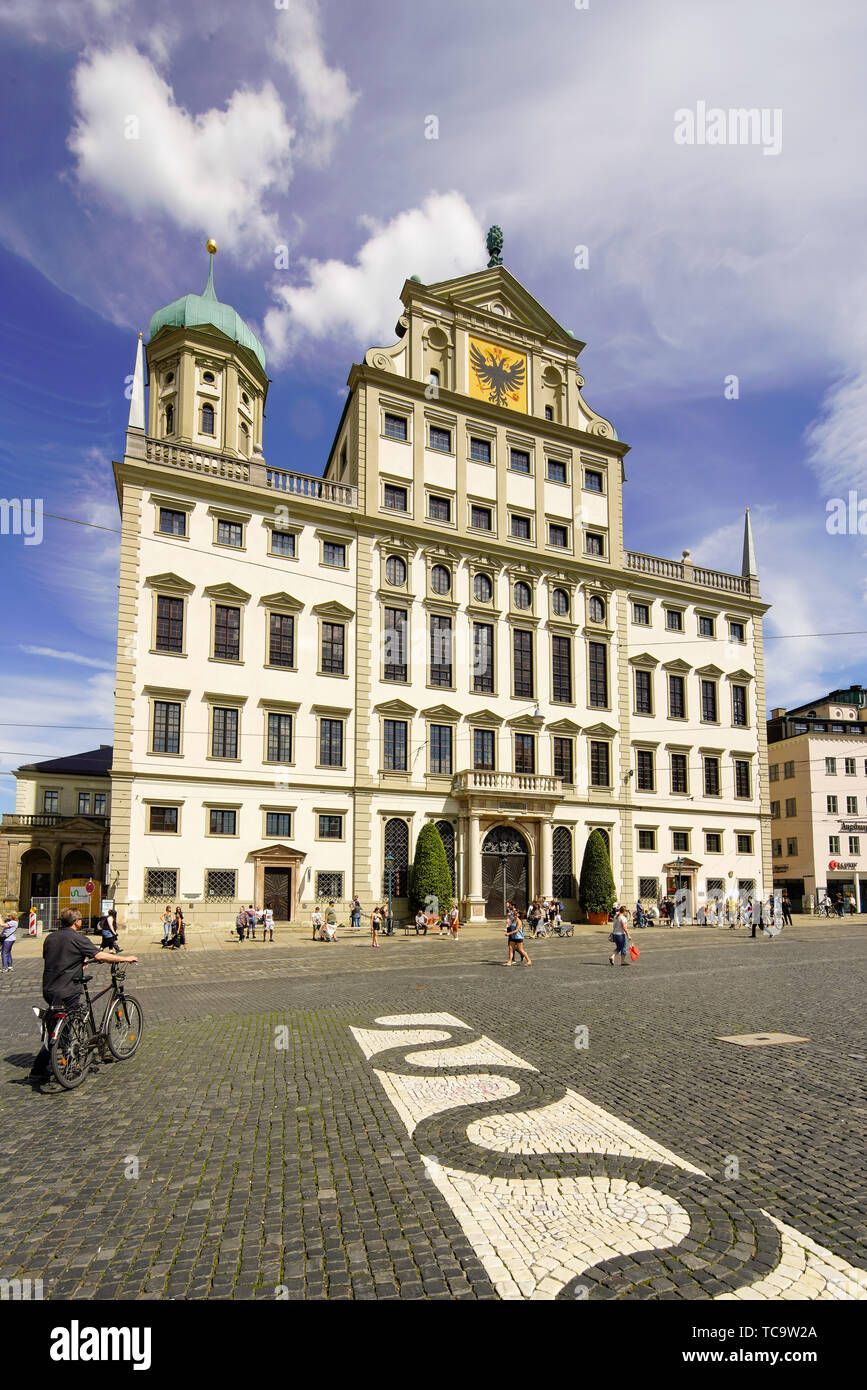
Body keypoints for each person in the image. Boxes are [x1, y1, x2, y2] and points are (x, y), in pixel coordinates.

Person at [29, 909, 138, 1079]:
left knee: (55, 1025)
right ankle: (70, 1060)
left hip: (50, 989)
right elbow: (100, 955)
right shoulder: (78, 938)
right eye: (80, 919)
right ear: (77, 922)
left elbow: (56, 957)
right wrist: (125, 958)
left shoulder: (50, 938)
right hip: (69, 988)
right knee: (74, 1023)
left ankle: (39, 1067)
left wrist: (81, 960)